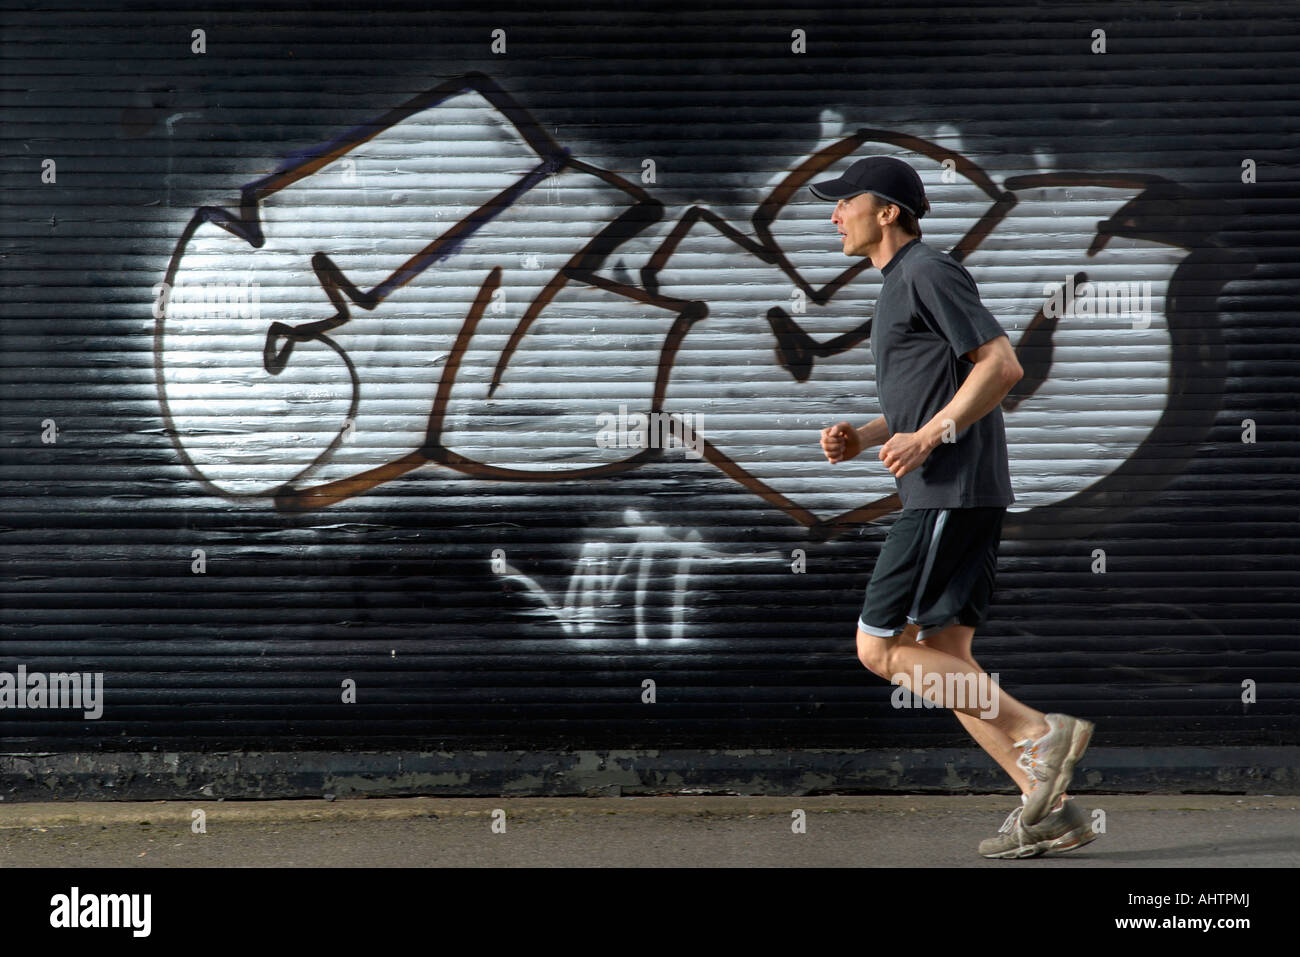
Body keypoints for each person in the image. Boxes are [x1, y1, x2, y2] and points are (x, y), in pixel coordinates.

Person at [810, 156, 1098, 858]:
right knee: (945, 657)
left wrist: (932, 434)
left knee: (877, 647)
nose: (832, 214)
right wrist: (868, 435)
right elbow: (929, 396)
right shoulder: (895, 286)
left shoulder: (927, 269)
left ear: (887, 211)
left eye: (845, 200)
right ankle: (1047, 808)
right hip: (955, 488)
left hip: (948, 490)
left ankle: (1039, 732)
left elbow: (1001, 364)